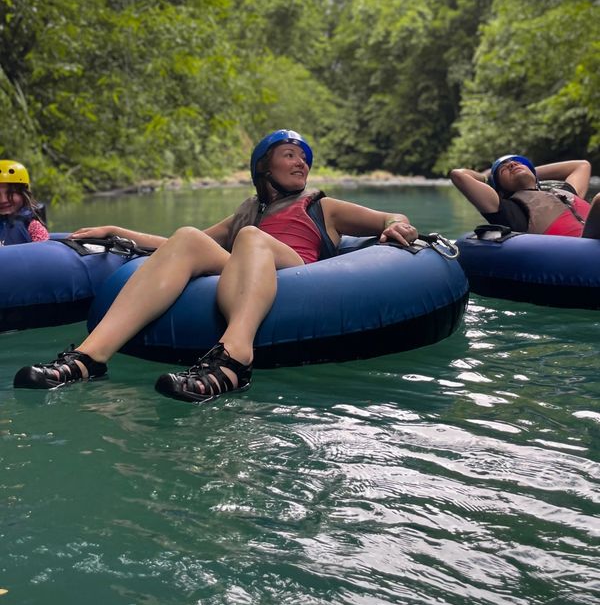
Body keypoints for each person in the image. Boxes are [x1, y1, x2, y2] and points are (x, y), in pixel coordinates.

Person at [14, 129, 420, 404]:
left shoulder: (322, 207)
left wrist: (396, 225)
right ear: (265, 168)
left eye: (304, 158)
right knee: (189, 236)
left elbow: (387, 217)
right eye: (290, 155)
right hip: (245, 270)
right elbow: (174, 247)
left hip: (296, 271)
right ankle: (88, 358)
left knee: (250, 238)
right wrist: (116, 231)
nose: (301, 163)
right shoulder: (247, 214)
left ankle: (235, 360)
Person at [450, 155, 600, 239]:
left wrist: (530, 172)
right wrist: (487, 177)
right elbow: (459, 175)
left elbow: (582, 165)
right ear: (500, 191)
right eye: (503, 170)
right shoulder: (507, 209)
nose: (512, 164)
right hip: (581, 249)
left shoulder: (565, 193)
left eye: (516, 163)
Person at [0, 160, 49, 245]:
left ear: (24, 194)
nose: (3, 200)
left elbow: (45, 250)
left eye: (11, 193)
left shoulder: (33, 226)